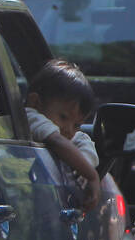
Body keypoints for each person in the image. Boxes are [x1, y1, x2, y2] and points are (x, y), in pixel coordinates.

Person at [25, 58, 101, 211]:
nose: (69, 129)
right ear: (35, 102)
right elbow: (56, 141)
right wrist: (91, 176)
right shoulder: (29, 116)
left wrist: (80, 166)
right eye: (63, 117)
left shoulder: (67, 133)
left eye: (77, 125)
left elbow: (83, 141)